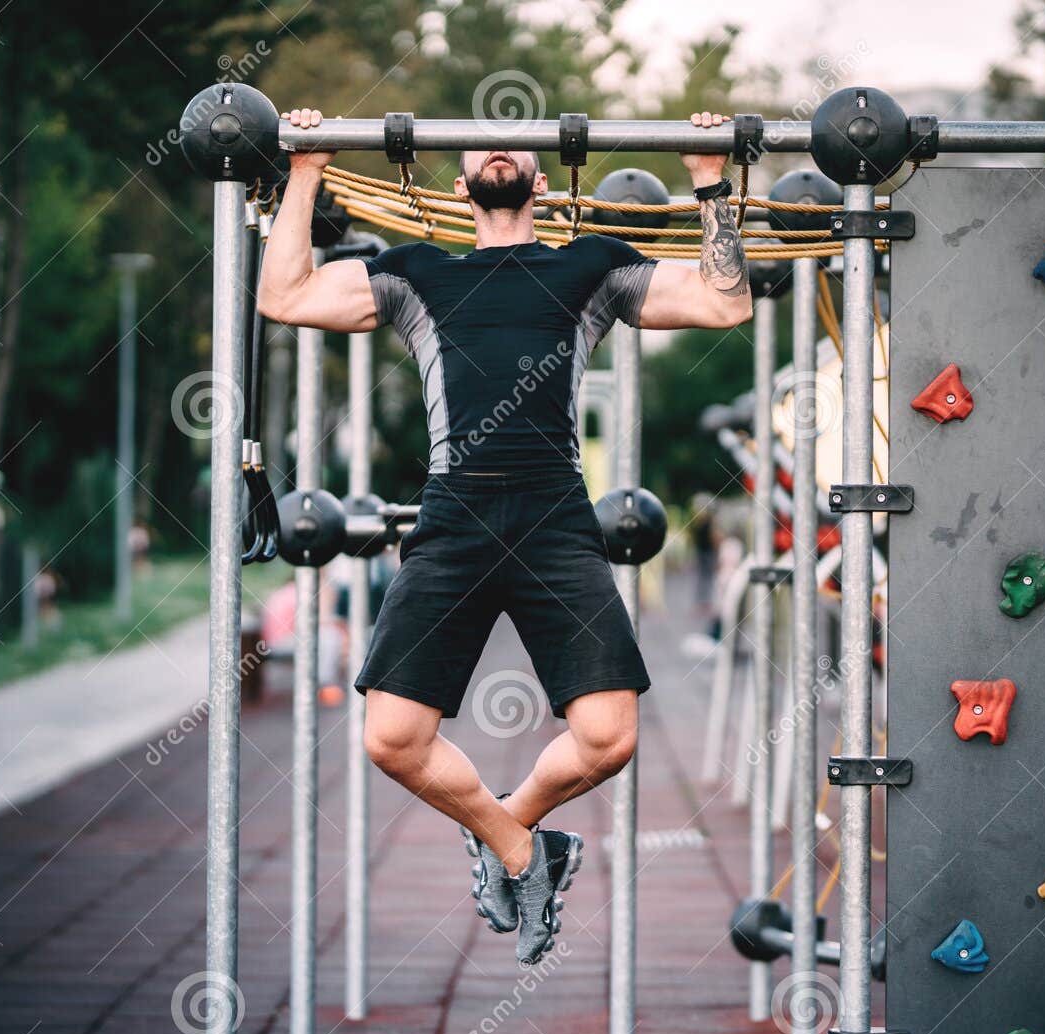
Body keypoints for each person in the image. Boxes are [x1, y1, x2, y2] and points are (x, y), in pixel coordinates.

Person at [259, 109, 752, 965]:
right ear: (459, 186)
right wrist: (307, 168)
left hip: (556, 512)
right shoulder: (416, 274)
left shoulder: (589, 269)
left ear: (542, 179)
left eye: (515, 142)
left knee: (611, 736)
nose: (497, 148)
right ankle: (526, 849)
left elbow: (724, 300)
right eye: (480, 143)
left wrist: (709, 173)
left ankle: (512, 833)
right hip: (455, 514)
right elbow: (283, 295)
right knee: (389, 737)